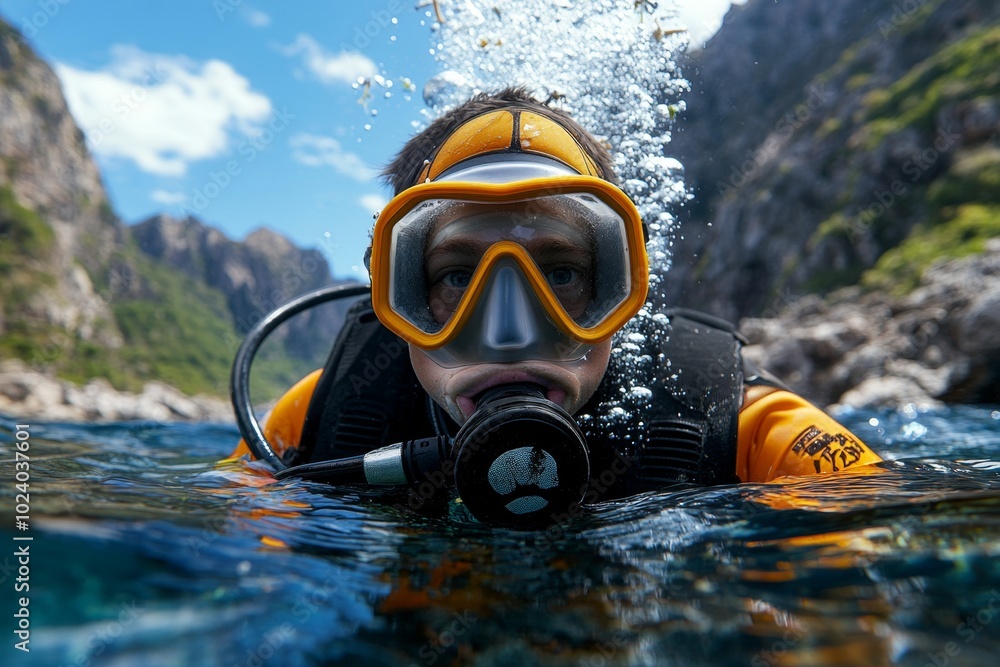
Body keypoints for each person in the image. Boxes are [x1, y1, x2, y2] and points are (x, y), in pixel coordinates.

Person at [230, 87, 882, 526]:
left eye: (563, 273)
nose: (510, 333)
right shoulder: (323, 421)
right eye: (457, 278)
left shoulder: (737, 427)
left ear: (620, 288)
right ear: (396, 292)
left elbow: (871, 545)